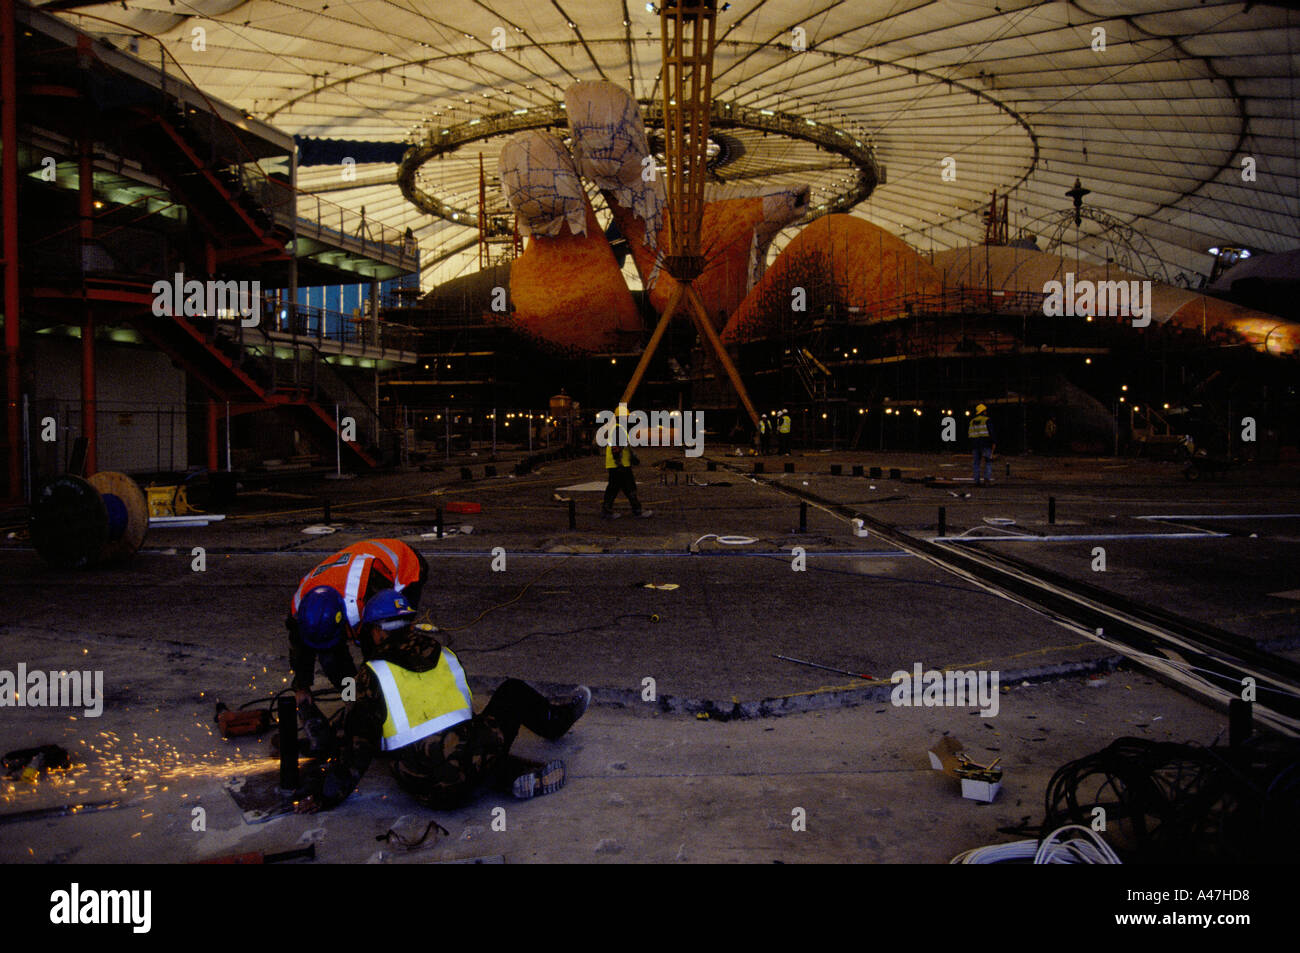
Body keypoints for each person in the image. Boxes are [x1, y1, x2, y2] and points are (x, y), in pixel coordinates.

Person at [295, 590, 591, 812]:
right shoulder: (445, 654)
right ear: (410, 625)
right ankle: (547, 730)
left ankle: (503, 774)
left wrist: (323, 797)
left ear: (375, 631)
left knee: (400, 741)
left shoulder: (370, 676)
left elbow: (357, 753)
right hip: (472, 765)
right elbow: (466, 719)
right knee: (509, 695)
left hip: (430, 792)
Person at [286, 539, 429, 742]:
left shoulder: (368, 597)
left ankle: (394, 710)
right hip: (353, 577)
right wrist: (302, 688)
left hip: (406, 567)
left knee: (385, 652)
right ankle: (355, 702)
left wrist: (370, 698)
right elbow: (301, 644)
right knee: (332, 659)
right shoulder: (301, 607)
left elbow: (377, 653)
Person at [601, 412, 650, 518]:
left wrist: (632, 457)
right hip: (619, 466)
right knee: (626, 488)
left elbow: (623, 447)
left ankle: (635, 510)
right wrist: (619, 464)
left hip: (618, 465)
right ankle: (637, 511)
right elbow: (616, 448)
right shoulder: (618, 429)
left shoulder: (618, 429)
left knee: (621, 488)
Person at [969, 403, 996, 486]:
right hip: (985, 444)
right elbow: (991, 432)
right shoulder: (987, 420)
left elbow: (970, 434)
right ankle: (986, 480)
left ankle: (976, 481)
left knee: (976, 463)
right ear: (983, 411)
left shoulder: (972, 421)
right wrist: (994, 442)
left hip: (975, 445)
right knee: (988, 462)